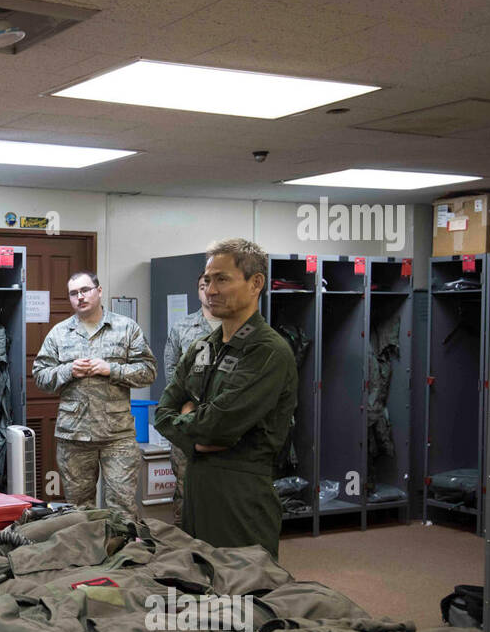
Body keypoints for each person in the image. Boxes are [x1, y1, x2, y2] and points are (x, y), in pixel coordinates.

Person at [155, 238, 298, 558]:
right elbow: (163, 412)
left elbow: (215, 428)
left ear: (255, 283)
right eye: (207, 280)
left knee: (244, 596)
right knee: (198, 591)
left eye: (222, 279)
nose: (211, 290)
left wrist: (193, 419)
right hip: (196, 491)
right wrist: (197, 431)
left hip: (240, 498)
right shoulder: (202, 346)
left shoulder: (267, 351)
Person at [32, 270, 156, 515]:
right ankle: (86, 553)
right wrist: (68, 370)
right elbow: (40, 377)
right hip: (74, 437)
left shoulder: (125, 328)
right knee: (79, 510)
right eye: (73, 293)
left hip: (117, 436)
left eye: (85, 290)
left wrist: (112, 369)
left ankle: (122, 552)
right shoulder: (59, 333)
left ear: (99, 291)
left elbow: (148, 371)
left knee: (121, 508)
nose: (80, 297)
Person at [163, 277, 220, 526]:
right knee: (186, 488)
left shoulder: (238, 327)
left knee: (222, 490)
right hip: (189, 421)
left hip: (226, 421)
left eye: (213, 285)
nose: (208, 291)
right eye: (202, 286)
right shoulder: (182, 327)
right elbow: (171, 373)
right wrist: (186, 405)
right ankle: (183, 545)